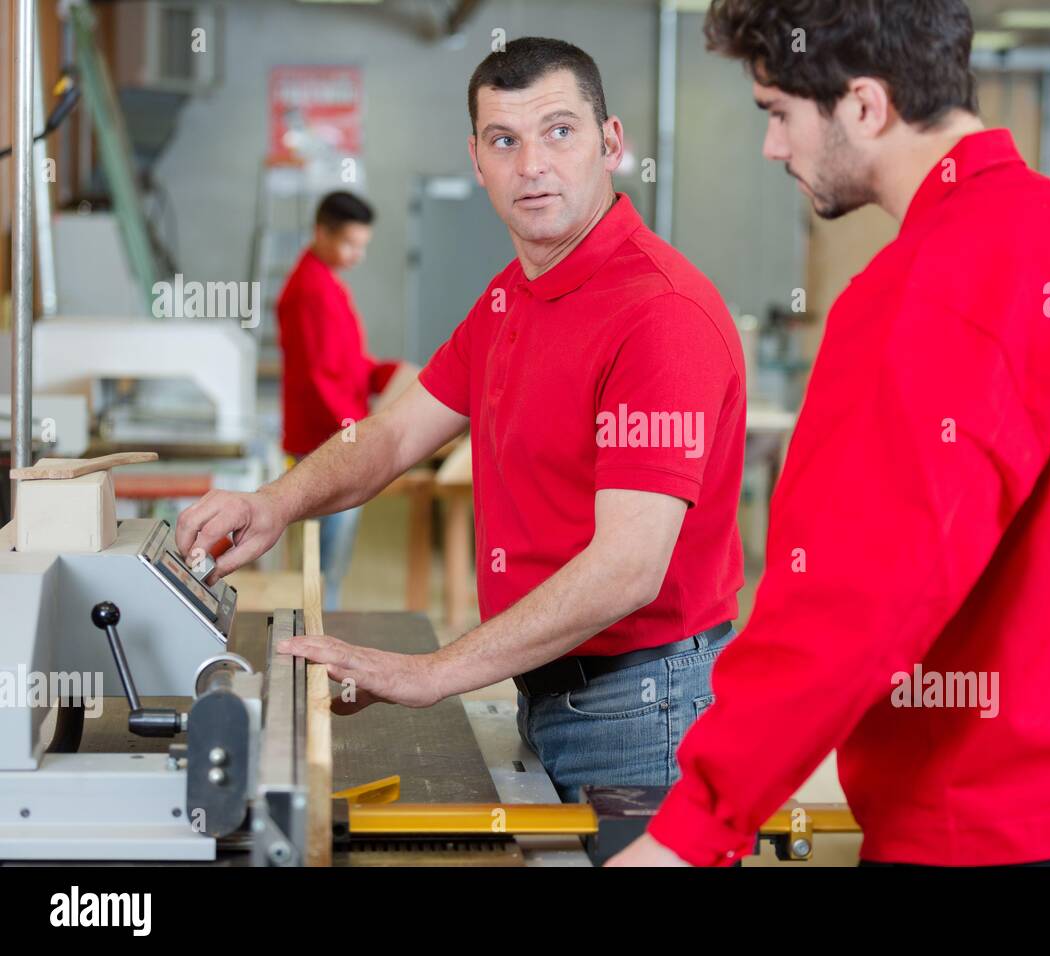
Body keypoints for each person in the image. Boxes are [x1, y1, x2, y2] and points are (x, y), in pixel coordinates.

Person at [611, 0, 1050, 867]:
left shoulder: (930, 286)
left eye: (779, 114)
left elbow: (850, 594)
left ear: (865, 105)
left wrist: (692, 827)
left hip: (987, 819)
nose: (773, 148)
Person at [178, 38, 747, 802]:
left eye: (559, 131)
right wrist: (271, 503)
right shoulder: (513, 296)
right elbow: (388, 435)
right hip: (550, 684)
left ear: (612, 144)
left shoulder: (658, 315)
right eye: (504, 141)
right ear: (476, 160)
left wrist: (432, 673)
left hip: (645, 709)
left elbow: (627, 569)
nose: (532, 165)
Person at [277, 191, 415, 610]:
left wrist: (391, 375)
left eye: (363, 246)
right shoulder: (311, 291)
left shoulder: (326, 284)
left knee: (329, 562)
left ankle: (323, 636)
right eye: (350, 244)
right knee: (324, 567)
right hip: (328, 440)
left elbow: (346, 366)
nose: (358, 255)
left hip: (336, 432)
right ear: (322, 232)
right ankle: (321, 646)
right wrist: (359, 437)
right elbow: (321, 380)